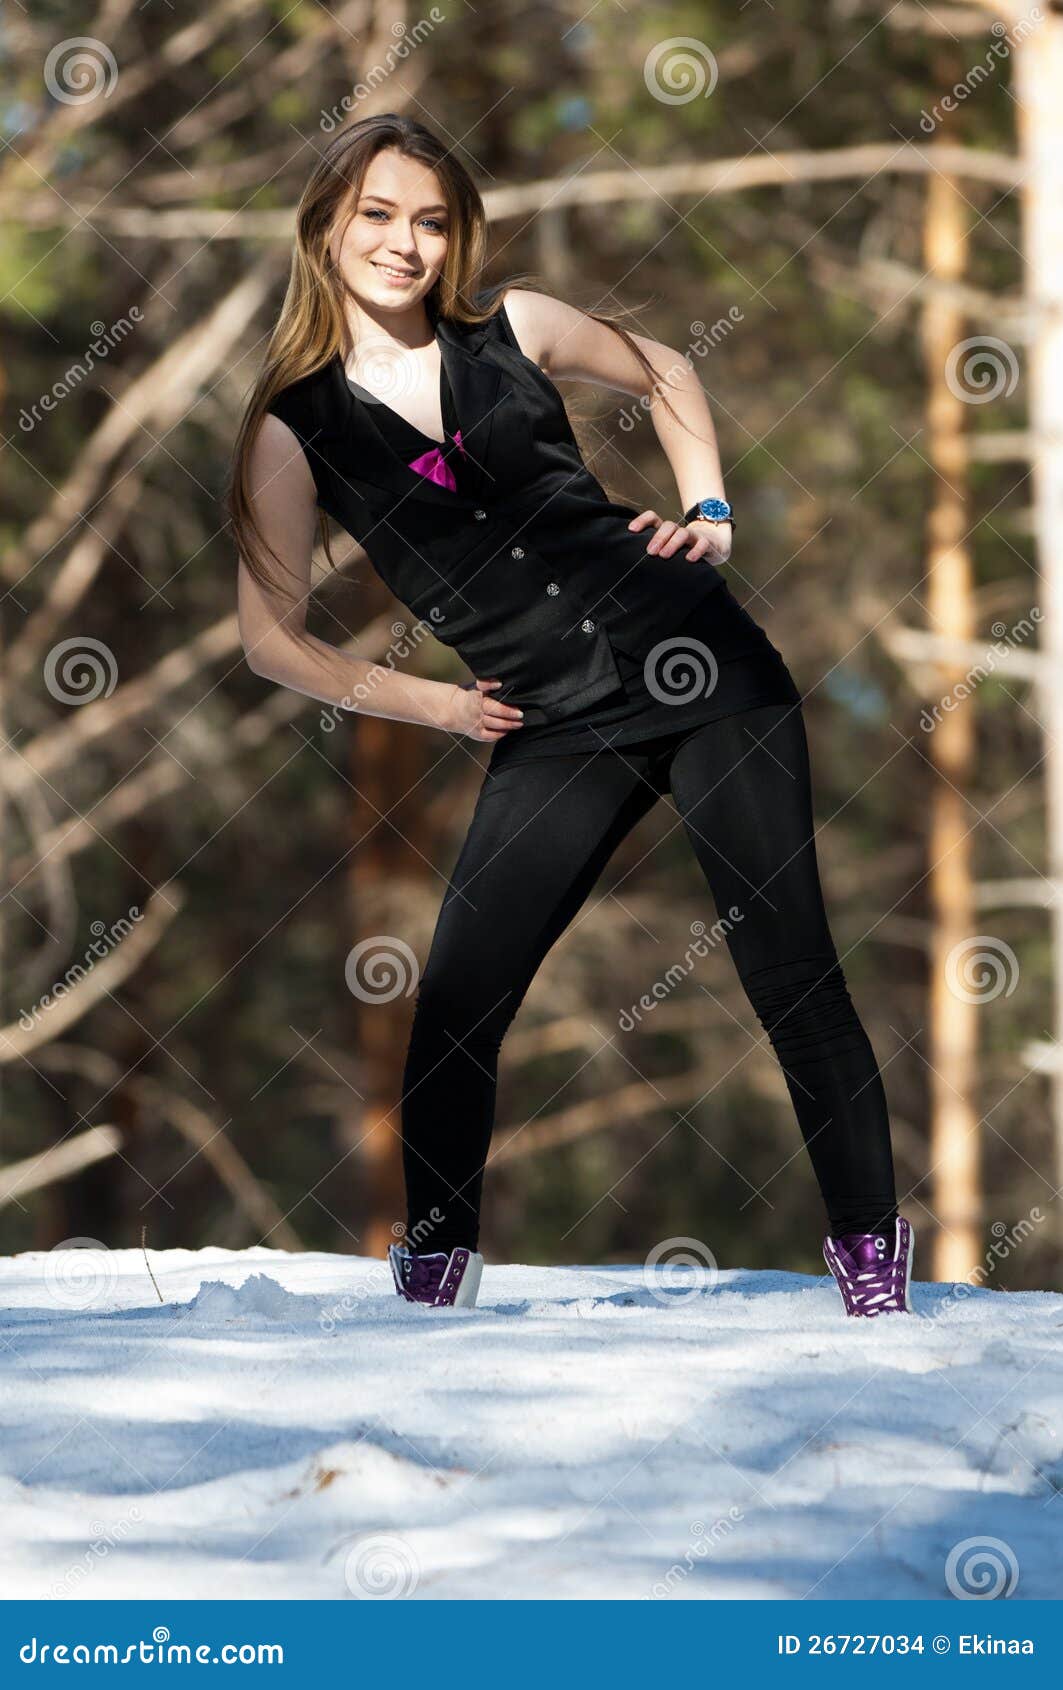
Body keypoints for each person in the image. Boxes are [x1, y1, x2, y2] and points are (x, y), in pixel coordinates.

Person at [230, 114, 913, 1320]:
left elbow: (668, 370)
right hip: (547, 721)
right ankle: (433, 1279)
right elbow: (271, 639)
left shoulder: (517, 328)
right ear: (326, 222)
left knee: (790, 970)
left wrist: (711, 511)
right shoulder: (296, 429)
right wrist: (433, 702)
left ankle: (869, 1261)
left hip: (702, 666)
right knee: (455, 1004)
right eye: (378, 214)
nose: (405, 243)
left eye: (430, 222)